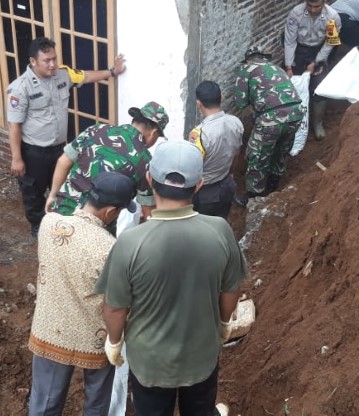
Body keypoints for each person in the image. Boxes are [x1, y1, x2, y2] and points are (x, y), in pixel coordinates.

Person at [96, 140, 249, 416]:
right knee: (200, 409)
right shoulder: (220, 231)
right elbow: (230, 290)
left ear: (149, 179)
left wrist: (115, 341)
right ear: (200, 184)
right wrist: (224, 324)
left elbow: (115, 307)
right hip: (202, 354)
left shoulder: (130, 242)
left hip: (150, 361)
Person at [27, 171, 137, 416]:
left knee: (44, 403)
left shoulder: (48, 225)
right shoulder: (110, 248)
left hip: (50, 331)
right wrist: (115, 341)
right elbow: (116, 303)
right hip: (94, 338)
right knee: (97, 402)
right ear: (110, 212)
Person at [7, 36, 126, 237]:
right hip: (34, 151)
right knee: (33, 192)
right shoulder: (20, 88)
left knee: (64, 187)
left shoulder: (62, 75)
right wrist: (17, 158)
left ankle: (61, 222)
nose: (52, 64)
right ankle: (39, 228)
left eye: (54, 58)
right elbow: (14, 125)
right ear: (33, 61)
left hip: (59, 148)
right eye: (47, 60)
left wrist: (112, 71)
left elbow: (85, 76)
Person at [46, 102, 169, 222]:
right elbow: (148, 210)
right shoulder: (145, 161)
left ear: (134, 120)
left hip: (62, 209)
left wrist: (52, 195)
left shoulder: (96, 129)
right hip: (95, 224)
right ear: (154, 133)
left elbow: (63, 161)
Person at [227, 46, 304, 207]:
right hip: (296, 114)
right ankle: (273, 187)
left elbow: (240, 103)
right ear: (263, 57)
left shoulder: (246, 69)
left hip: (271, 119)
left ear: (248, 59)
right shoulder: (277, 68)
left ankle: (254, 196)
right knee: (281, 150)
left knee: (258, 155)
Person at [283, 0, 341, 141]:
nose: (313, 9)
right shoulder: (296, 13)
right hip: (299, 51)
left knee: (319, 87)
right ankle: (290, 123)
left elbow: (330, 43)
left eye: (317, 6)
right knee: (291, 87)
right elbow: (289, 41)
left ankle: (317, 123)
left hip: (319, 51)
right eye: (310, 5)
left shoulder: (332, 18)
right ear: (305, 1)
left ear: (324, 3)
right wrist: (289, 66)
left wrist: (317, 62)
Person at [188, 81, 244, 219]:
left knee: (202, 228)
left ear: (198, 103)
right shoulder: (236, 122)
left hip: (206, 193)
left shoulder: (199, 134)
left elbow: (193, 169)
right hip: (227, 185)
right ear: (222, 98)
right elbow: (237, 154)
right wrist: (230, 175)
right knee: (221, 222)